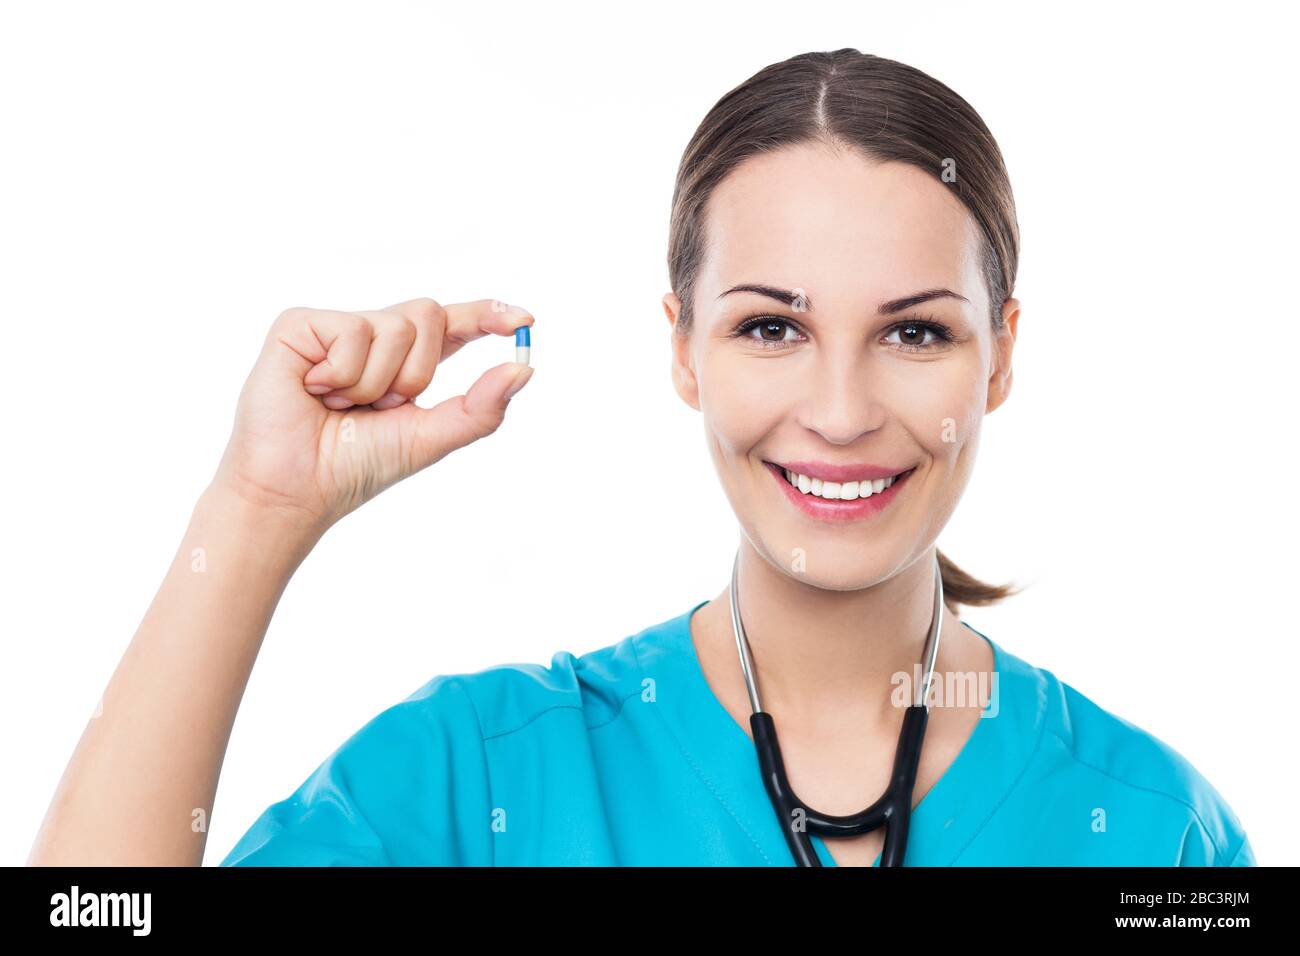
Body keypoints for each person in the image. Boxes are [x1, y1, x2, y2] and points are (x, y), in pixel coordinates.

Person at [29, 48, 1255, 868]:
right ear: (681, 348)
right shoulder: (477, 780)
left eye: (914, 330)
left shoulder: (1153, 833)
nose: (837, 410)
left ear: (998, 357)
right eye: (770, 326)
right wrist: (254, 511)